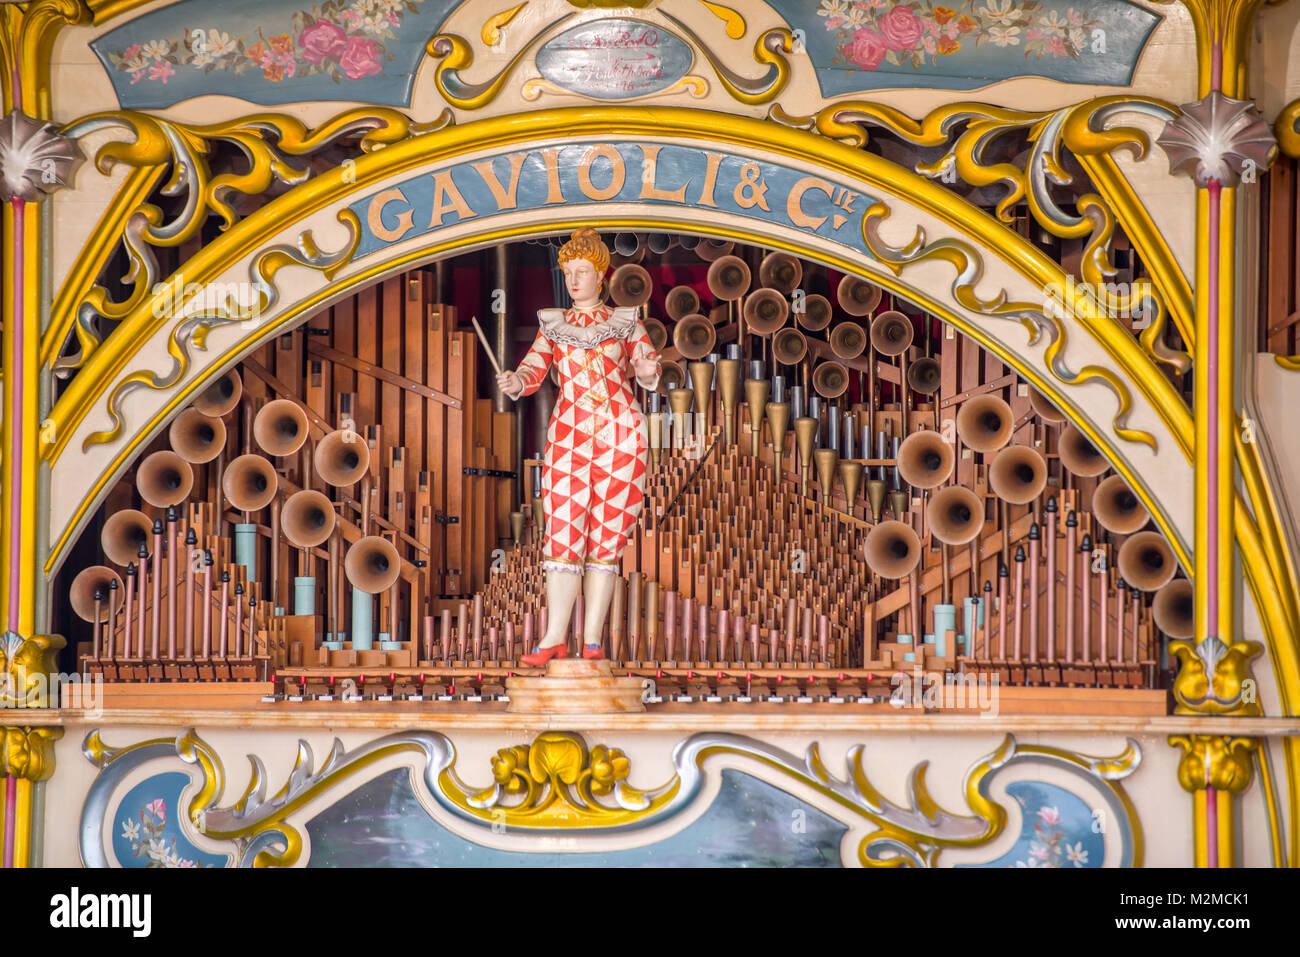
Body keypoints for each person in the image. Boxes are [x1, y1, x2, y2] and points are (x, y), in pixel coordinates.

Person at [496, 228, 661, 665]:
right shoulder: (554, 325)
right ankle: (553, 636)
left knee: (607, 537)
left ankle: (592, 640)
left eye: (582, 271)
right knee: (564, 531)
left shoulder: (626, 321)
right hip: (569, 434)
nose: (573, 280)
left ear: (601, 275)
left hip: (621, 433)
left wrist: (646, 369)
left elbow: (647, 372)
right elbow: (533, 369)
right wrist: (516, 381)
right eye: (568, 271)